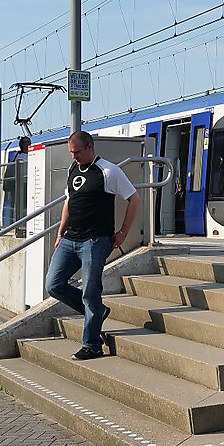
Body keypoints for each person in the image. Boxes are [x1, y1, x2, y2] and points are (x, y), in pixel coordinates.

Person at [45, 131, 139, 360]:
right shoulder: (73, 169)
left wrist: (123, 233)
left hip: (95, 241)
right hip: (70, 239)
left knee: (90, 291)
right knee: (53, 285)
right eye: (71, 152)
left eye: (77, 152)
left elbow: (134, 198)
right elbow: (69, 202)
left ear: (90, 147)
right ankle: (98, 311)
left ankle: (92, 345)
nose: (73, 156)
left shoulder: (108, 171)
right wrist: (60, 233)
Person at [2, 136, 31, 227]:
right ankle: (10, 225)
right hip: (16, 184)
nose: (28, 144)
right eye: (25, 142)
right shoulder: (16, 156)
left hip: (28, 184)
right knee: (14, 204)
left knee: (25, 205)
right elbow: (9, 169)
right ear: (21, 145)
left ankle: (23, 224)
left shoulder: (33, 154)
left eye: (28, 142)